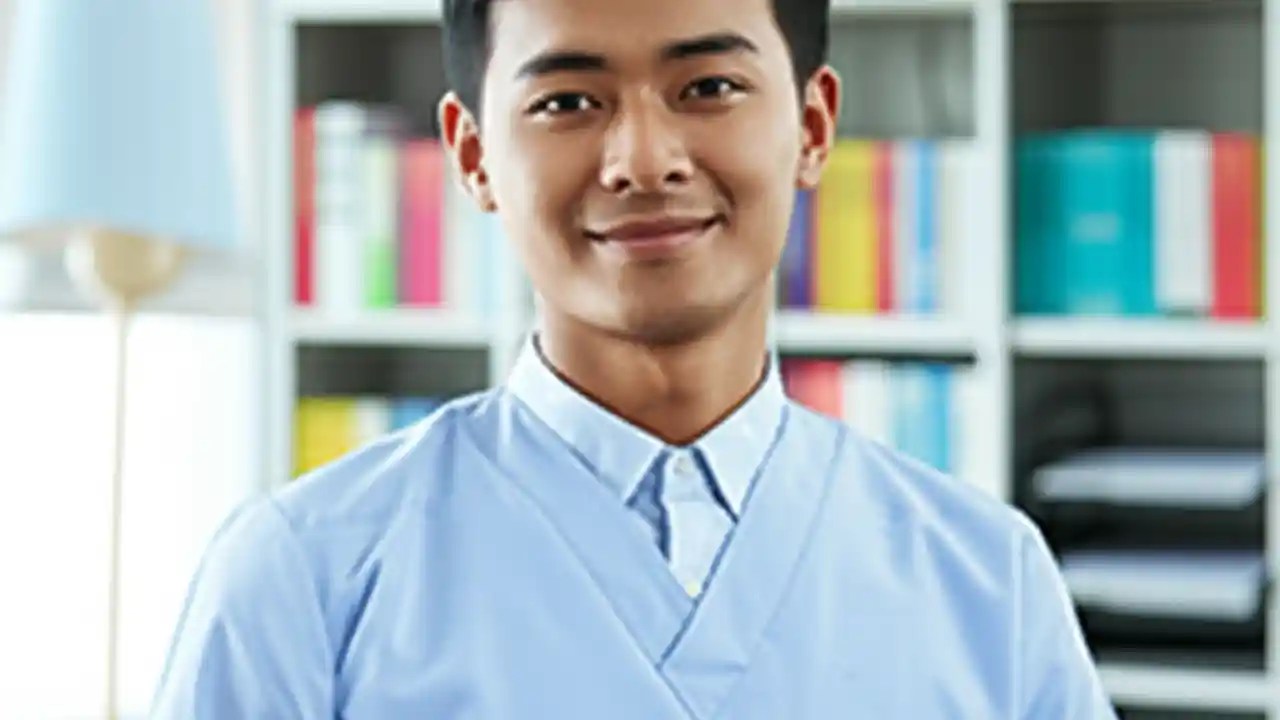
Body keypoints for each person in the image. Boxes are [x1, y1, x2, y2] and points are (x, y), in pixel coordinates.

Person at [152, 0, 1117, 717]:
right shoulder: (304, 580)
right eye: (569, 100)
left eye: (708, 88)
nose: (643, 160)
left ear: (814, 127)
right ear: (474, 153)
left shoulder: (989, 582)